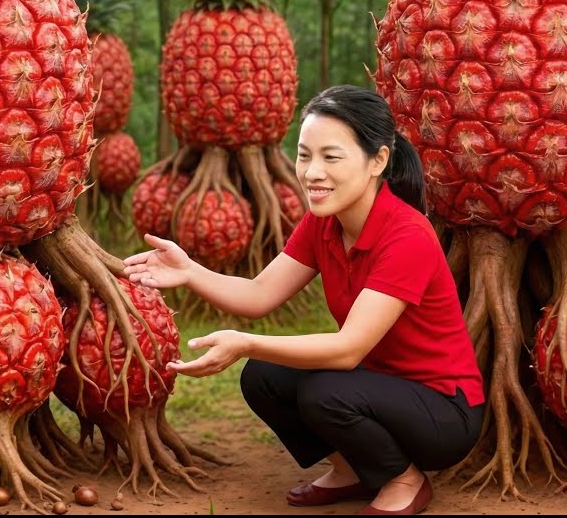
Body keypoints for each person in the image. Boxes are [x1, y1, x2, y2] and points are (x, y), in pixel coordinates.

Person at [123, 85, 484, 516]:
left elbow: (348, 349)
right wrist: (189, 272)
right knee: (264, 376)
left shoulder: (407, 235)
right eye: (304, 155)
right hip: (376, 387)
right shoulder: (323, 224)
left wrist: (246, 342)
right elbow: (259, 295)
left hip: (443, 412)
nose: (312, 172)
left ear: (378, 161)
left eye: (331, 158)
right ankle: (351, 468)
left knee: (324, 389)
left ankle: (404, 480)